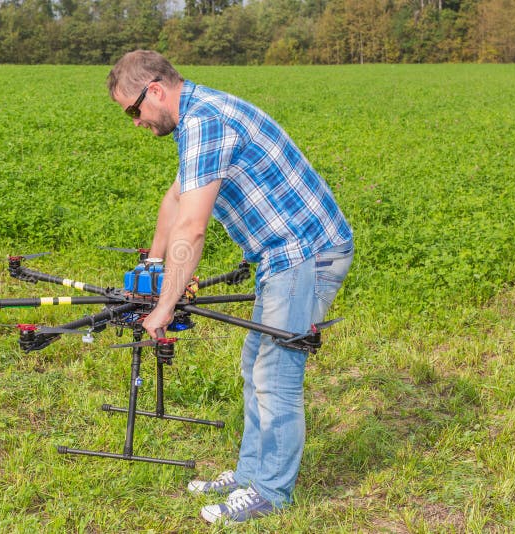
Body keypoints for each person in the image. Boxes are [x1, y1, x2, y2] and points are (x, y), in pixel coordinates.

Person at [106, 50, 354, 524]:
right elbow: (176, 199)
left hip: (306, 254)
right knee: (254, 365)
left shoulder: (206, 122)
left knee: (275, 375)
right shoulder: (197, 117)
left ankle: (270, 493)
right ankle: (249, 474)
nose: (135, 122)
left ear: (154, 90)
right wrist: (154, 264)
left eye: (134, 111)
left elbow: (193, 229)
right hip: (282, 254)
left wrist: (164, 307)